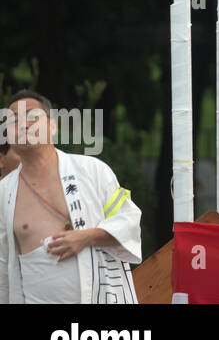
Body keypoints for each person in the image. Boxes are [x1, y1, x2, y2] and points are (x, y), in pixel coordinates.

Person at [0, 90, 142, 303]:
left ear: (53, 126)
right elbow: (3, 264)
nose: (23, 125)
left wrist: (88, 236)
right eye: (14, 121)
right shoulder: (3, 192)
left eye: (32, 117)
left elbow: (129, 220)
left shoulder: (93, 170)